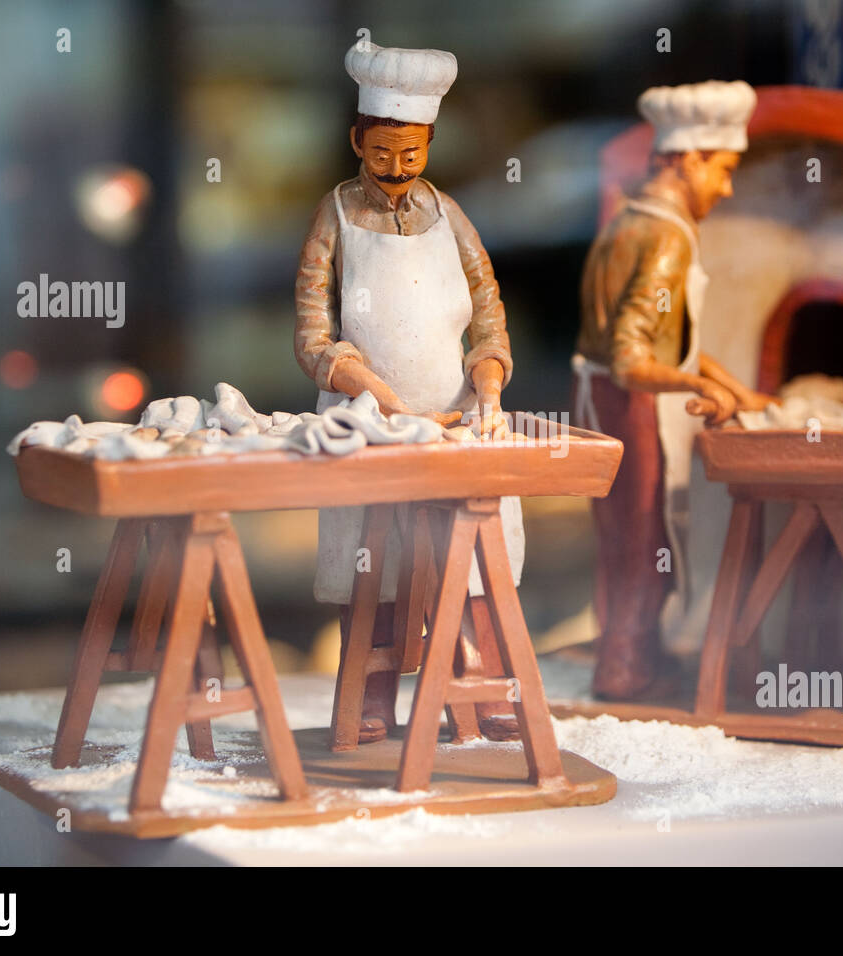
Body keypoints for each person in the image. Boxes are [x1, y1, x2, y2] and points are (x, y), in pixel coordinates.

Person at [295, 40, 523, 742]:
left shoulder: (449, 214)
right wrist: (364, 384)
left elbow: (488, 310)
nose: (397, 170)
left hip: (458, 420)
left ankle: (483, 693)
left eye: (412, 155)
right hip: (367, 426)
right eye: (383, 154)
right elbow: (311, 333)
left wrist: (488, 375)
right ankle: (369, 699)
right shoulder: (333, 218)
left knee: (472, 566)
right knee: (378, 568)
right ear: (358, 140)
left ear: (429, 144)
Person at [573, 81, 771, 701]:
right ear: (688, 160)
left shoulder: (629, 219)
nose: (727, 187)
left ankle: (634, 655)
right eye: (725, 170)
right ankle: (625, 669)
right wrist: (701, 390)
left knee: (626, 540)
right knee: (644, 542)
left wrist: (737, 387)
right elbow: (636, 361)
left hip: (602, 398)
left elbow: (668, 339)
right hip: (633, 410)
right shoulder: (668, 237)